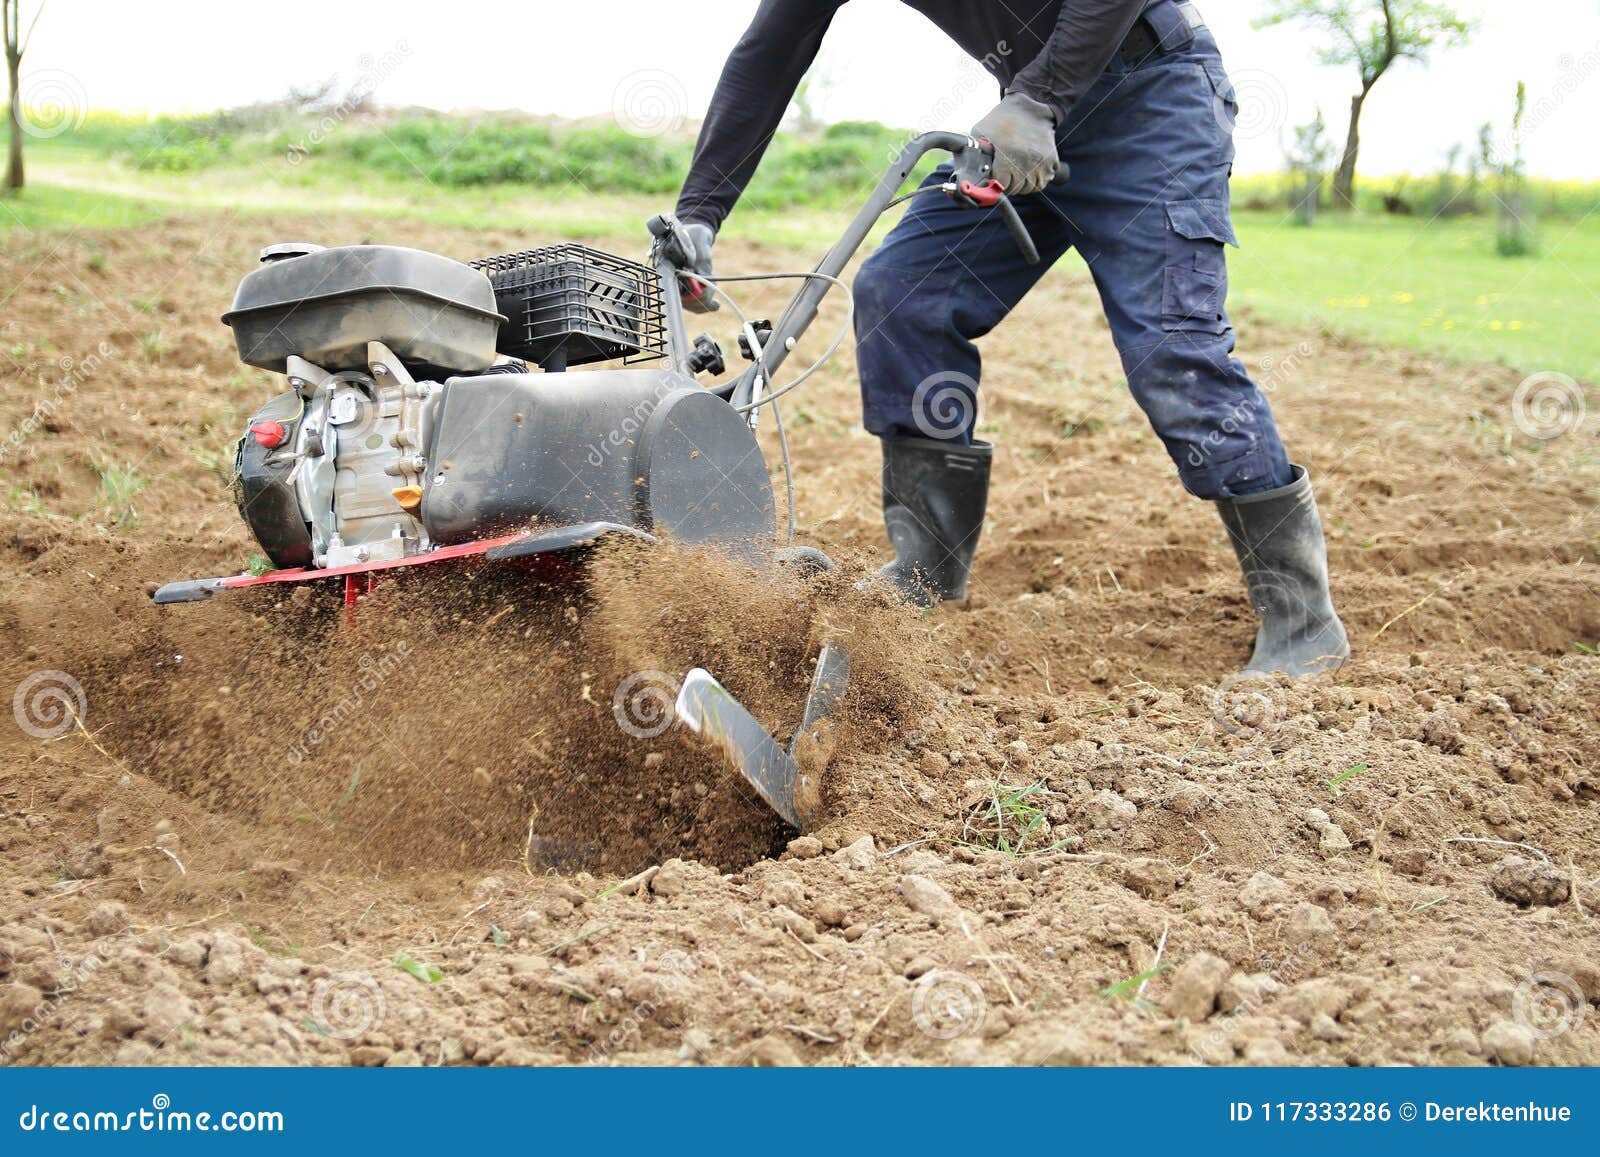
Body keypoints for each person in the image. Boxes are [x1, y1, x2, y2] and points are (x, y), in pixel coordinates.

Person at [671, 0, 1349, 677]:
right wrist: (700, 211)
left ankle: (1302, 617)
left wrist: (1039, 99)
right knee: (905, 292)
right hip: (1027, 118)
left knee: (1173, 350)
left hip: (1152, 102)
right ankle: (927, 567)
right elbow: (770, 53)